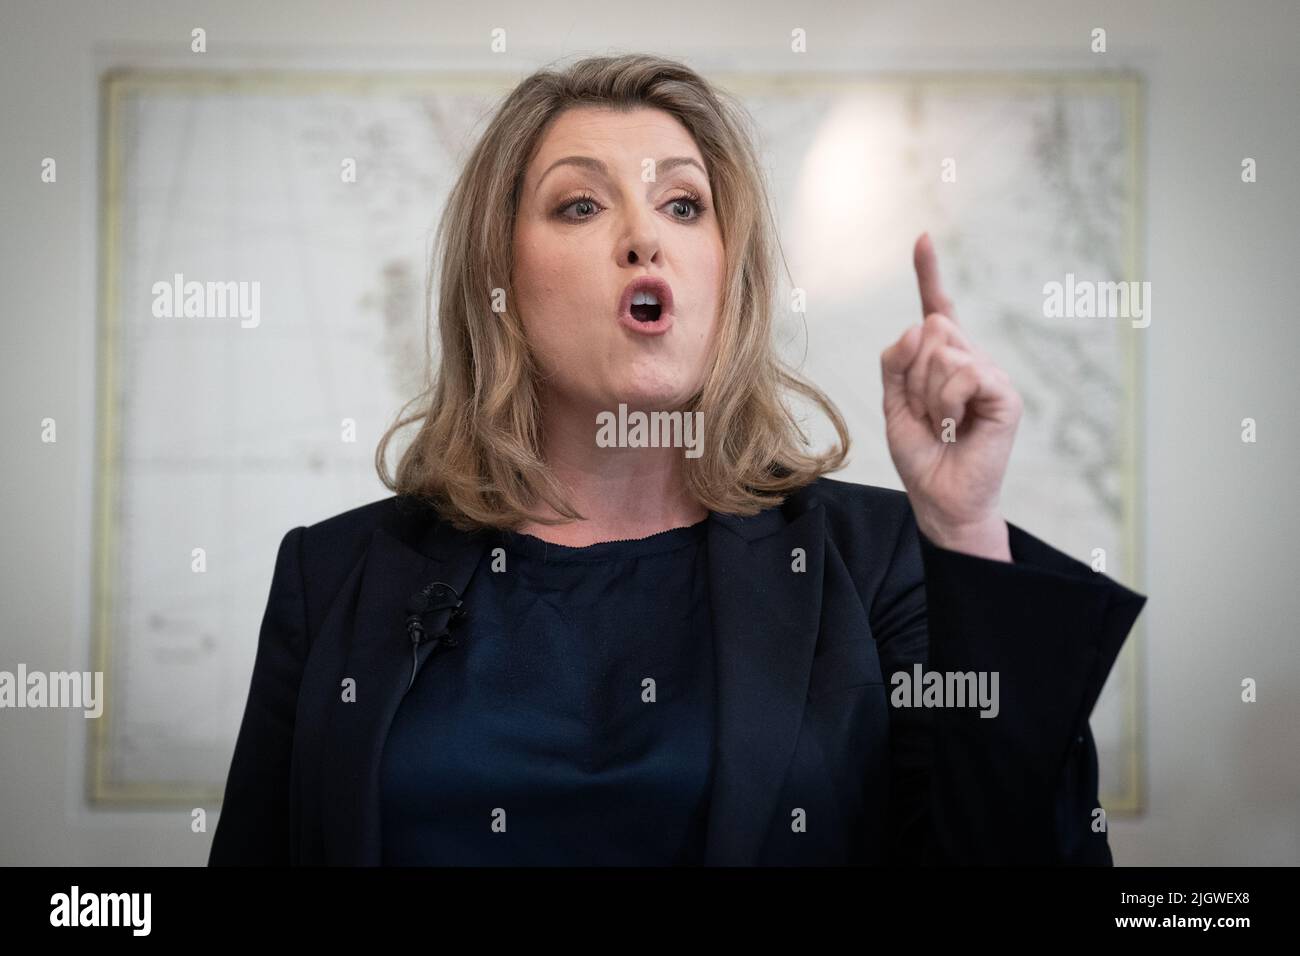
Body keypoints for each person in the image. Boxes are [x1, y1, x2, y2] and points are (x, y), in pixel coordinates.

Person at [209, 53, 1146, 866]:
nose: (643, 237)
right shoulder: (332, 577)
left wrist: (967, 529)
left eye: (683, 204)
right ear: (499, 283)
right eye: (580, 204)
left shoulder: (882, 561)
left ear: (725, 277)